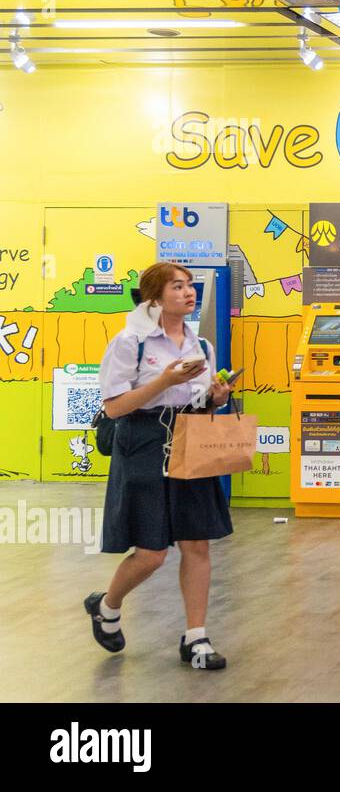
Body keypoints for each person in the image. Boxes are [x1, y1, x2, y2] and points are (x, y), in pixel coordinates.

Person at [84, 262, 233, 670]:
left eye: (190, 286)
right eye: (178, 286)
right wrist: (162, 382)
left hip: (190, 438)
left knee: (196, 542)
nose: (189, 293)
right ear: (154, 297)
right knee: (151, 553)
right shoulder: (130, 342)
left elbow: (199, 399)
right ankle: (107, 606)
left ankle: (196, 638)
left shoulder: (200, 346)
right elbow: (114, 407)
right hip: (144, 443)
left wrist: (216, 398)